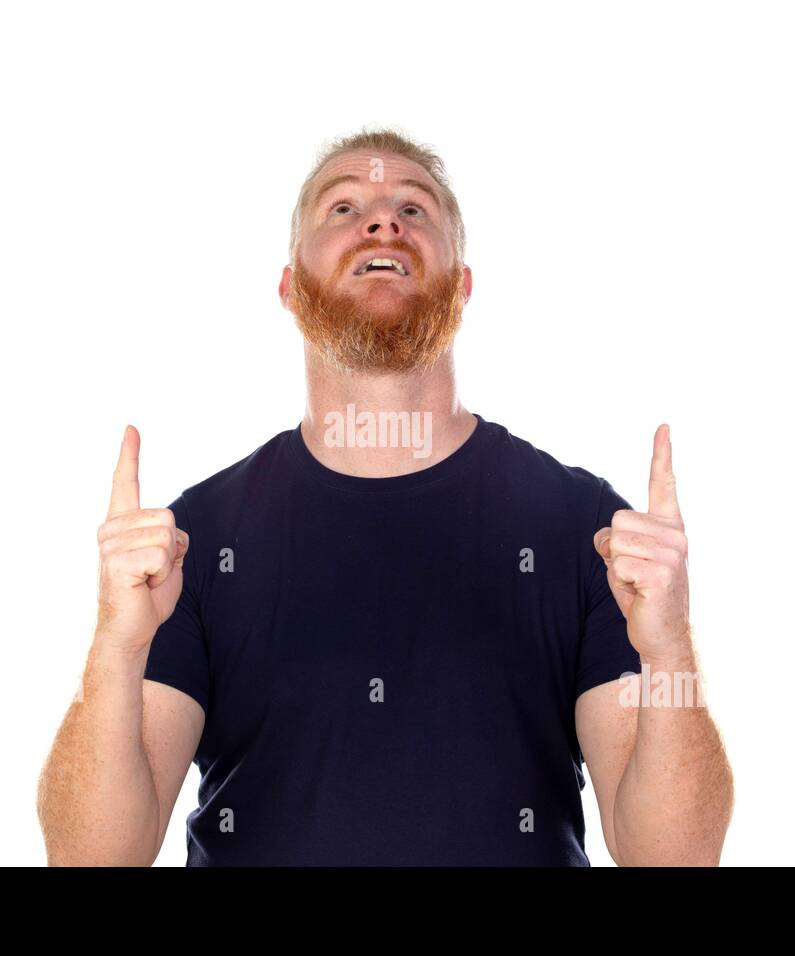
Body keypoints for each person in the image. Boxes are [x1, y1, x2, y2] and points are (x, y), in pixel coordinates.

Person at [36, 128, 734, 866]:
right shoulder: (192, 545)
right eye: (343, 208)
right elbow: (93, 859)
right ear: (289, 288)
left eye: (414, 207)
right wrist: (117, 645)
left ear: (461, 287)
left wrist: (668, 651)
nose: (381, 221)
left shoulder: (584, 528)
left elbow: (672, 858)